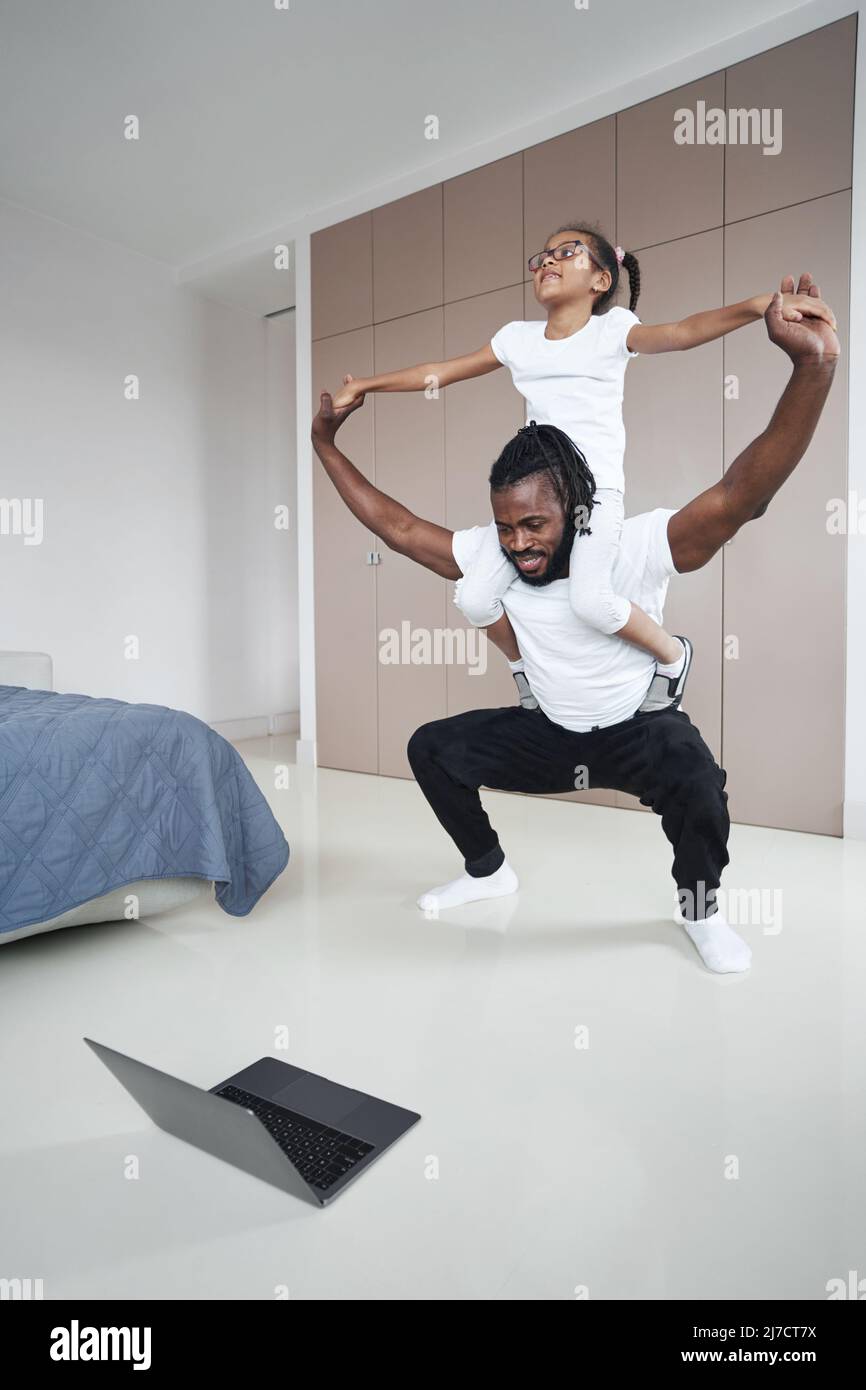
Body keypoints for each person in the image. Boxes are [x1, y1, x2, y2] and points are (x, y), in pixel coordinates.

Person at [312, 276, 838, 974]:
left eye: (535, 524)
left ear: (577, 511)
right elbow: (401, 527)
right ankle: (487, 870)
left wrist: (814, 365)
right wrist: (325, 444)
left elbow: (743, 495)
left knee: (699, 786)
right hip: (549, 734)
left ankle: (699, 910)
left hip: (636, 729)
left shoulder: (629, 547)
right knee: (432, 748)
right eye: (506, 527)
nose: (519, 543)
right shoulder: (496, 554)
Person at [332, 227, 836, 715]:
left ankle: (673, 655)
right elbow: (438, 372)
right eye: (542, 257)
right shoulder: (517, 340)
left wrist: (757, 306)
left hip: (593, 498)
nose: (548, 260)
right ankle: (524, 669)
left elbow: (683, 332)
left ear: (600, 281)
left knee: (591, 603)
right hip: (539, 495)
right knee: (476, 596)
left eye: (567, 252)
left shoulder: (612, 331)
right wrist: (367, 386)